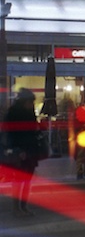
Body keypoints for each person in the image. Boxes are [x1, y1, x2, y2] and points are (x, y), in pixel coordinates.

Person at [4, 86, 47, 216]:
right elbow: (10, 134)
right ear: (24, 102)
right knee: (18, 180)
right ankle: (16, 207)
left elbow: (33, 129)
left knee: (27, 180)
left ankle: (23, 206)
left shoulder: (29, 113)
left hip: (31, 150)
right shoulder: (13, 113)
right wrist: (17, 149)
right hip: (19, 151)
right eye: (30, 102)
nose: (31, 105)